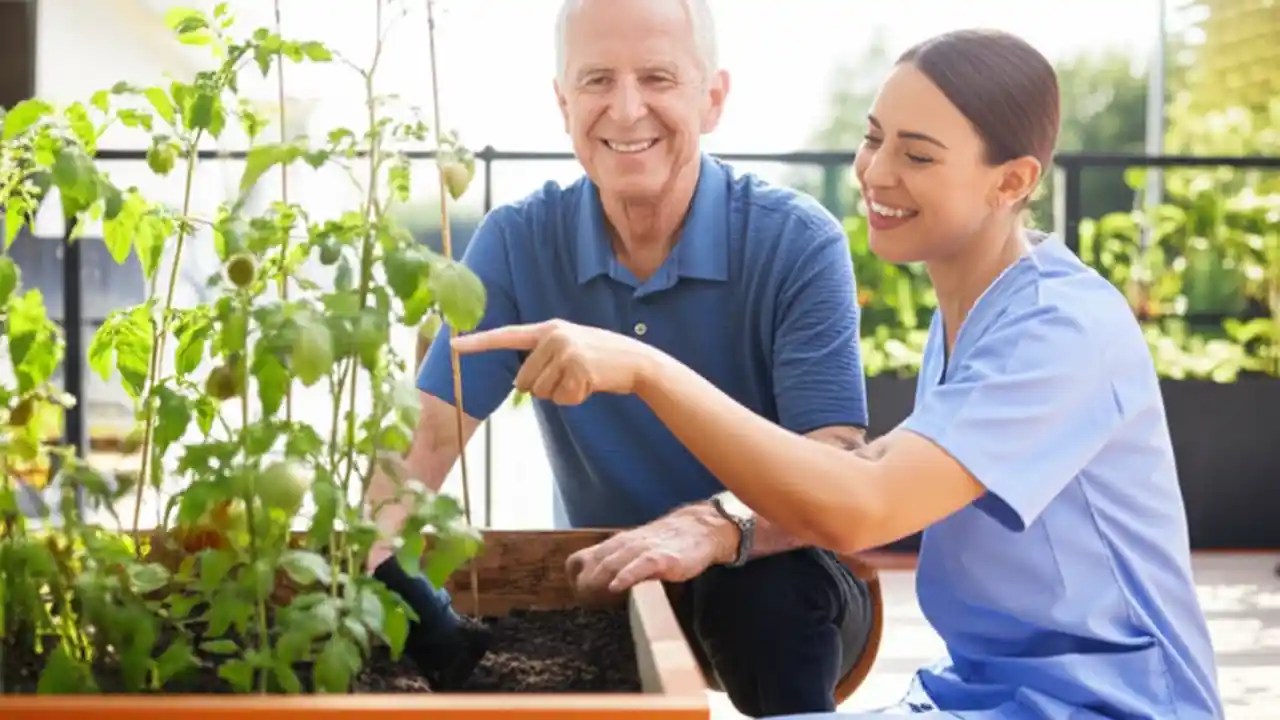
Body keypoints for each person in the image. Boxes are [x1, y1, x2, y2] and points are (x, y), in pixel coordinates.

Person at [450, 28, 1226, 720]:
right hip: (974, 691)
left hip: (1108, 702)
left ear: (1012, 181)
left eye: (918, 155)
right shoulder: (975, 312)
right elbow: (878, 463)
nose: (876, 173)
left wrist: (647, 371)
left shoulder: (1061, 330)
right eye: (874, 137)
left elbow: (866, 505)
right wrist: (720, 522)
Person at [363, 0, 877, 715]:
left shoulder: (795, 241)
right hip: (607, 580)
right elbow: (433, 430)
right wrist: (362, 552)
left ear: (713, 99)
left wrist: (713, 527)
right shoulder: (516, 240)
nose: (626, 109)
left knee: (760, 594)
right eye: (598, 80)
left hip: (779, 574)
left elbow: (838, 463)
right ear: (562, 101)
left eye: (658, 77)